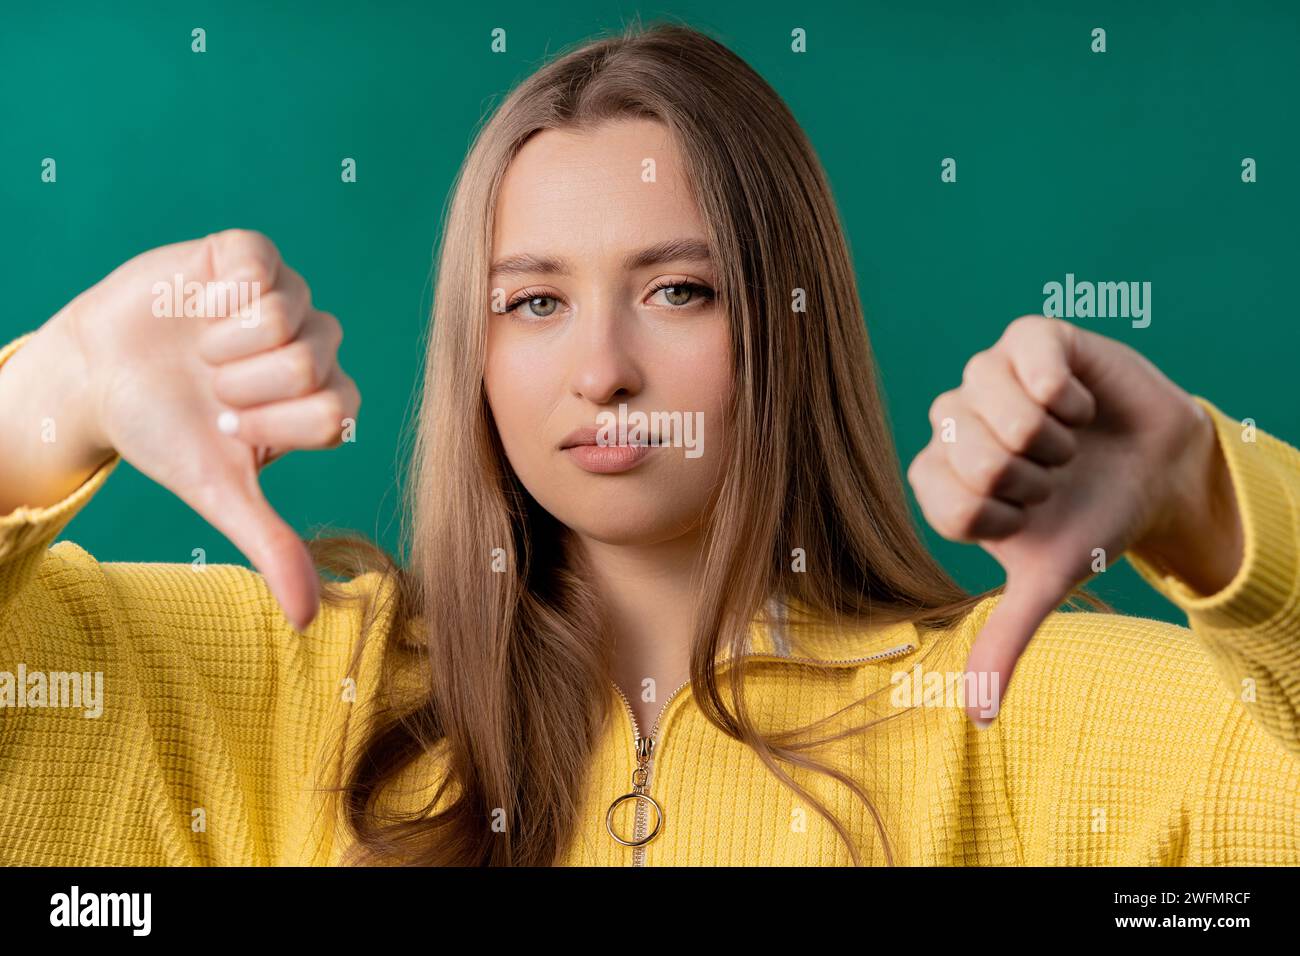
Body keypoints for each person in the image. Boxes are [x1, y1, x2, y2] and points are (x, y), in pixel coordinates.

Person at [0, 22, 1296, 867]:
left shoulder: (1028, 719)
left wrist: (1212, 506)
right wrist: (42, 407)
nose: (603, 371)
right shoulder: (279, 693)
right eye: (534, 302)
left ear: (788, 328)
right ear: (476, 355)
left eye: (681, 290)